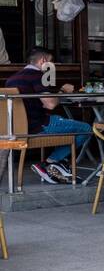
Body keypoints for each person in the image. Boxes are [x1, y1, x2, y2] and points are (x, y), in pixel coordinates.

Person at [5, 46, 85, 184]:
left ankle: (58, 165)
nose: (53, 65)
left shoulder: (12, 79)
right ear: (43, 60)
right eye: (51, 61)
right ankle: (50, 163)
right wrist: (63, 91)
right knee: (85, 129)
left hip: (15, 130)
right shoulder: (37, 76)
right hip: (38, 126)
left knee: (64, 124)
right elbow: (50, 104)